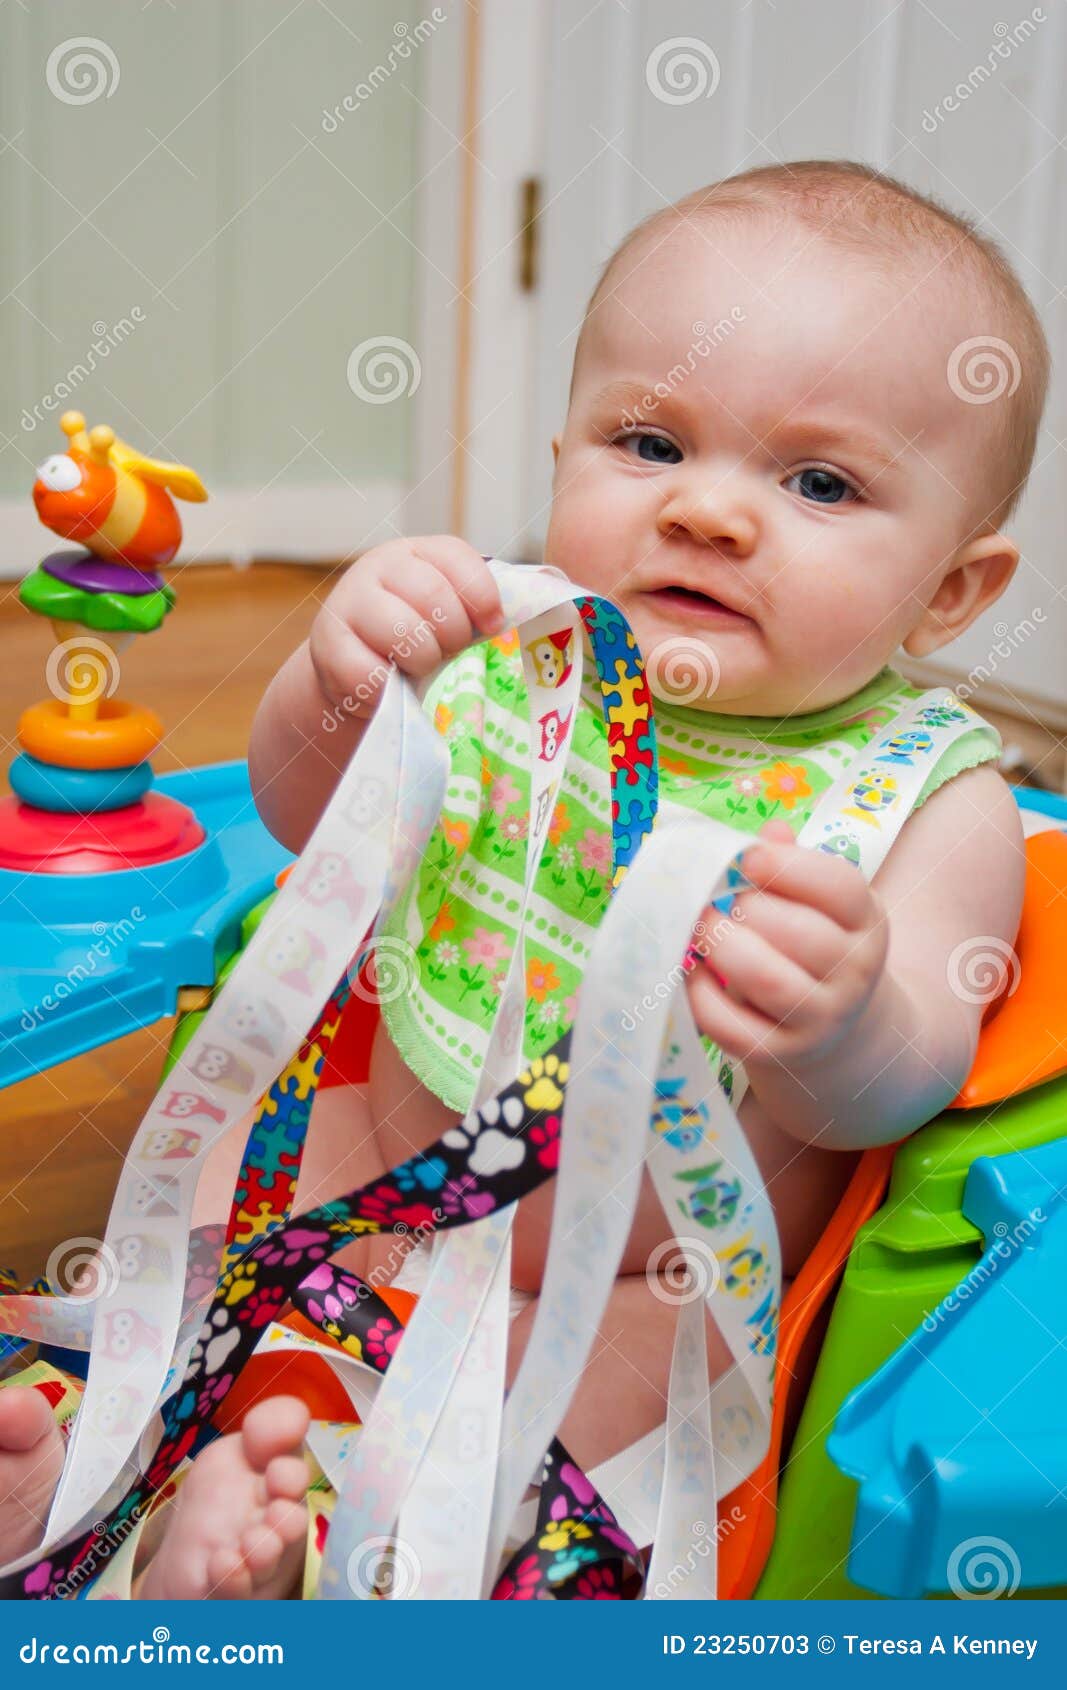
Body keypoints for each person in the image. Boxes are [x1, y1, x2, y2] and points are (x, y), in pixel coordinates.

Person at [0, 160, 1044, 1599]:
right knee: (209, 1223)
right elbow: (312, 822)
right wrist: (339, 680)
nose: (711, 514)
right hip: (383, 1137)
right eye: (650, 442)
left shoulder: (931, 796)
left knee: (535, 1433)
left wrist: (848, 1015)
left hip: (631, 1276)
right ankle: (92, 1458)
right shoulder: (512, 653)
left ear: (951, 587)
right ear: (561, 453)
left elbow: (911, 1072)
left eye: (818, 481)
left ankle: (308, 1558)